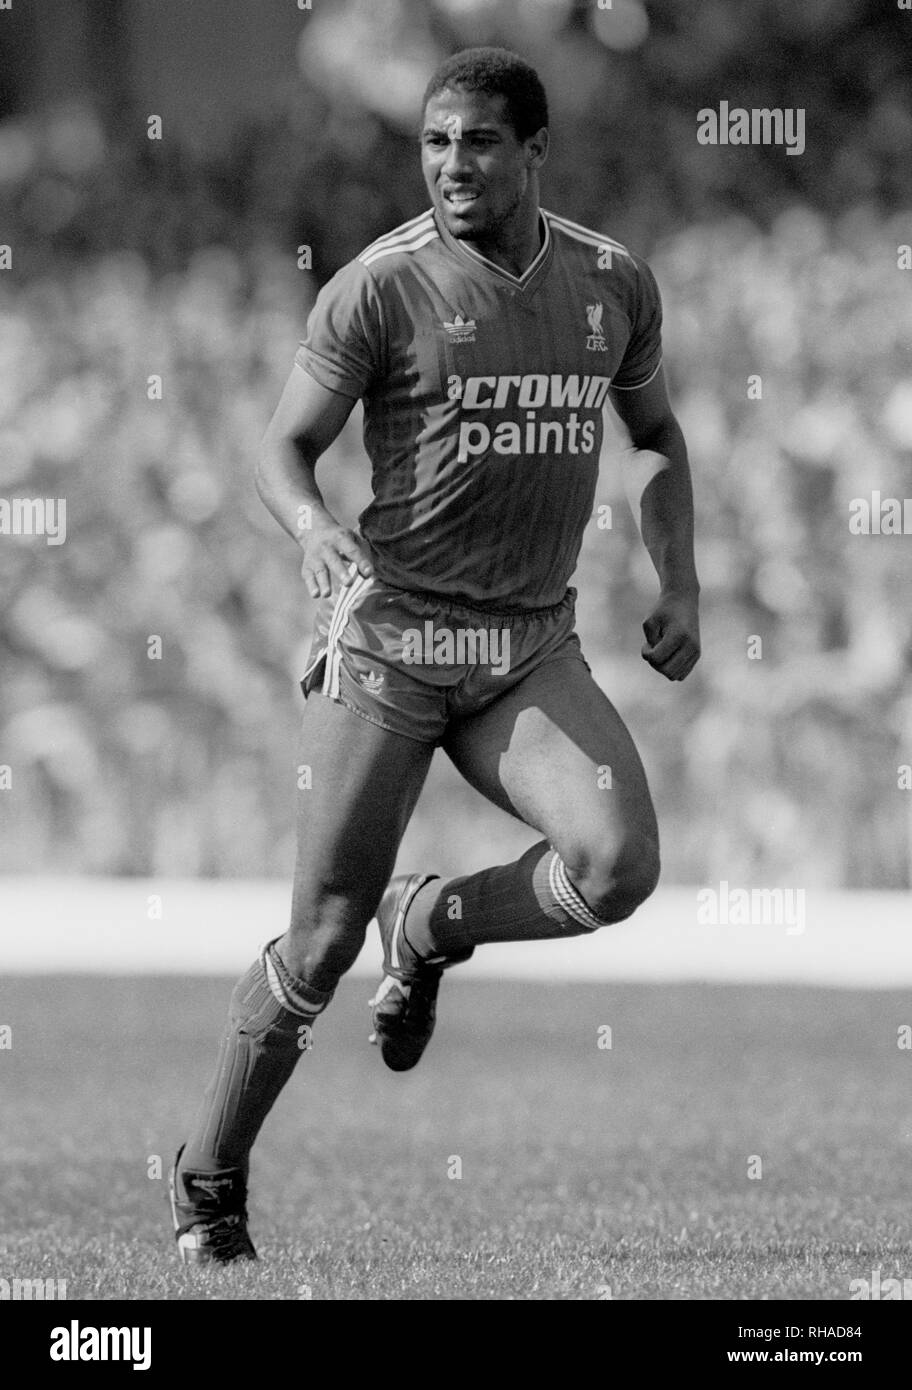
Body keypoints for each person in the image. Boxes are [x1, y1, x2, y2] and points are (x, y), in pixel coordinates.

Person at [169, 46, 700, 1263]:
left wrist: (682, 582)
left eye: (478, 142)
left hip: (524, 645)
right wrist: (313, 534)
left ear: (534, 152)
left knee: (620, 866)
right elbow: (281, 448)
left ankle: (439, 921)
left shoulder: (612, 280)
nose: (452, 165)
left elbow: (659, 434)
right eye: (434, 143)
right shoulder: (376, 285)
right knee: (317, 943)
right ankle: (208, 1187)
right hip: (398, 640)